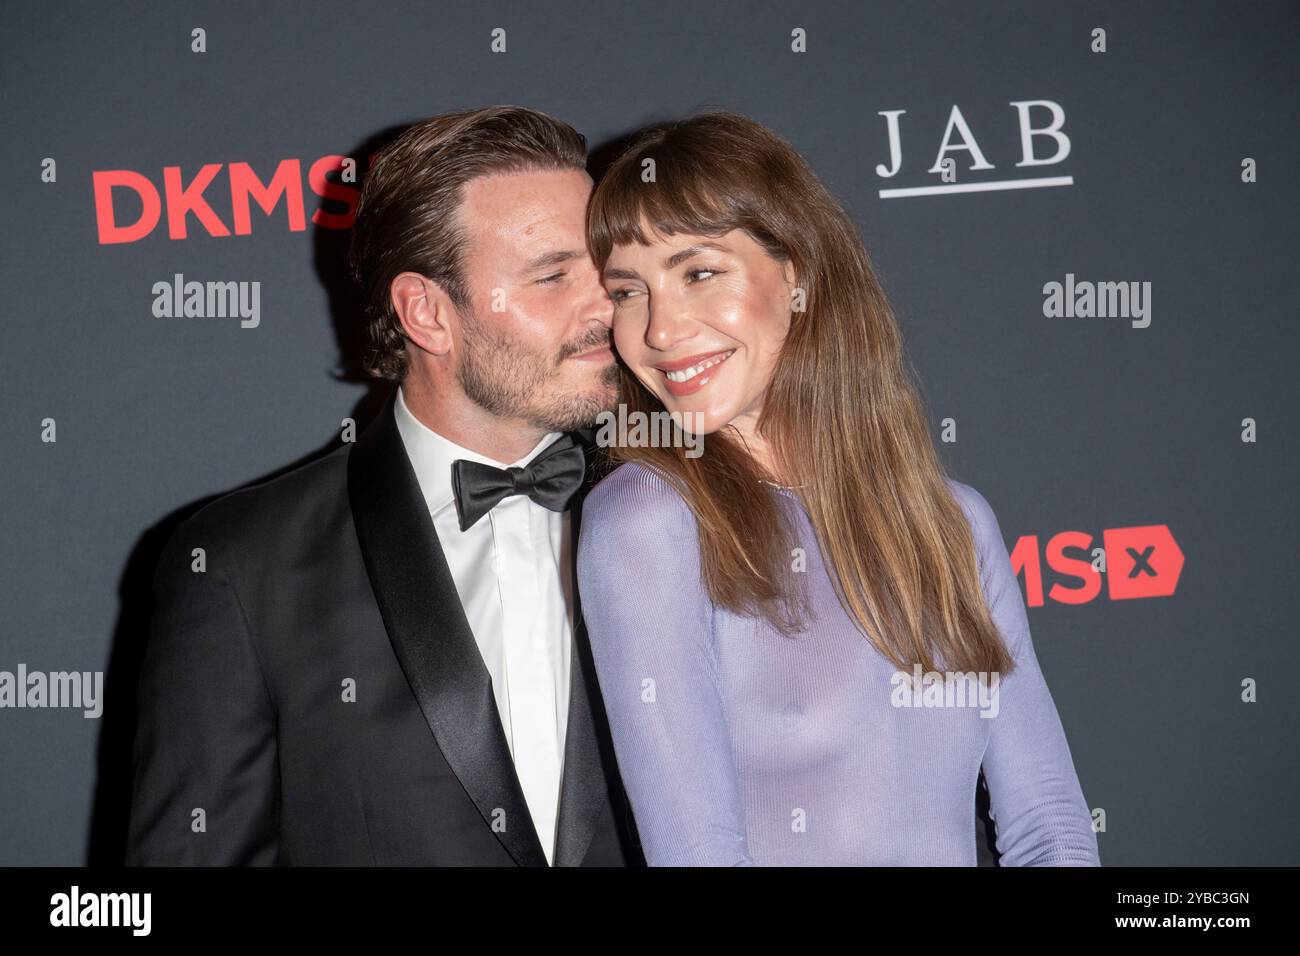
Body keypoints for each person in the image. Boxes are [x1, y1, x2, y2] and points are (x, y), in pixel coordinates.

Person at [576, 112, 1101, 866]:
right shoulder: (647, 520)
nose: (659, 329)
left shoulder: (955, 522)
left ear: (797, 274)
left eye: (698, 273)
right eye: (628, 291)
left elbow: (1049, 825)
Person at [126, 106, 643, 866]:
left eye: (602, 268)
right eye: (554, 275)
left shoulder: (670, 517)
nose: (607, 306)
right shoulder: (239, 568)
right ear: (427, 313)